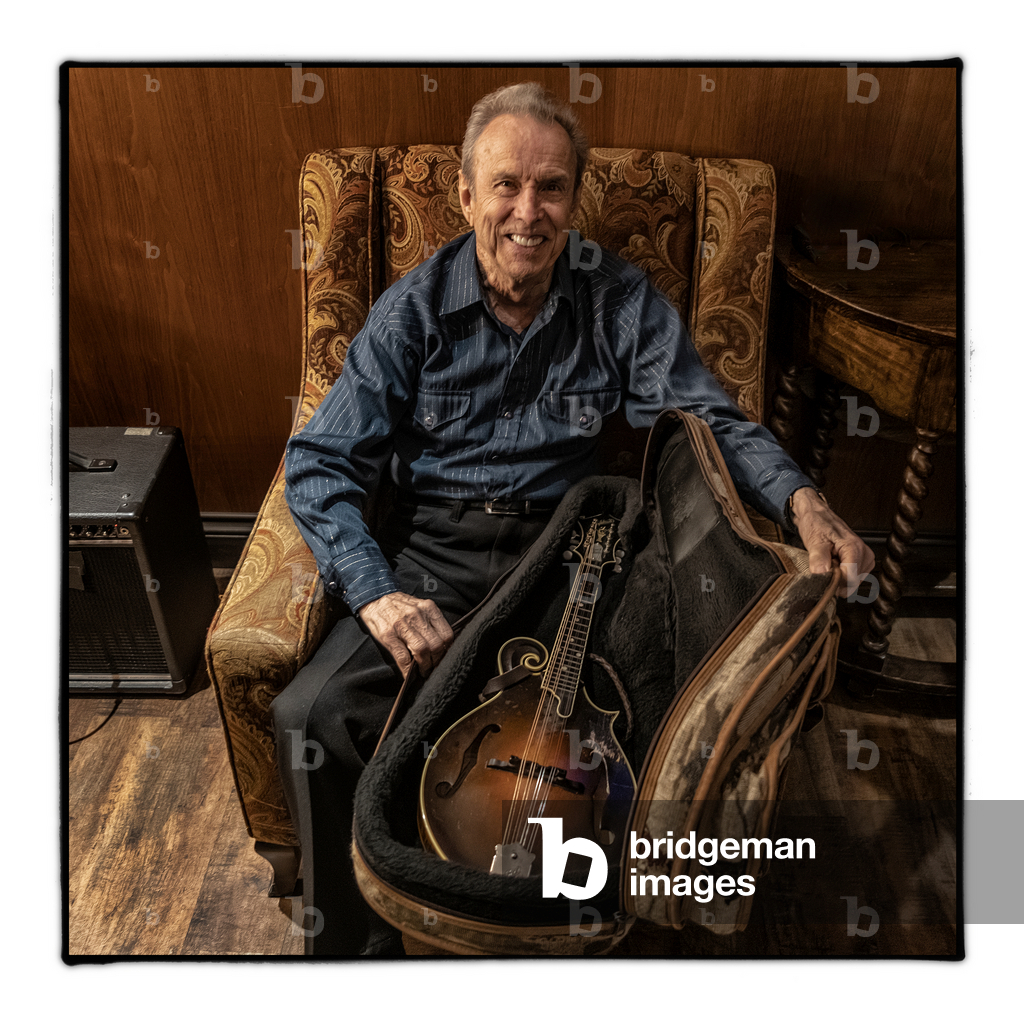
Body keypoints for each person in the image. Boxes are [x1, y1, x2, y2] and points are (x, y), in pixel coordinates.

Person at [276, 81, 874, 956]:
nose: (529, 210)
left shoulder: (618, 299)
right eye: (506, 185)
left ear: (575, 197)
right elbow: (321, 460)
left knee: (625, 723)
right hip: (434, 549)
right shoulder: (413, 308)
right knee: (309, 717)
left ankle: (594, 935)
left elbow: (713, 420)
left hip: (568, 555)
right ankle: (357, 960)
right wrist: (374, 593)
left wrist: (805, 501)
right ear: (466, 194)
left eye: (551, 187)